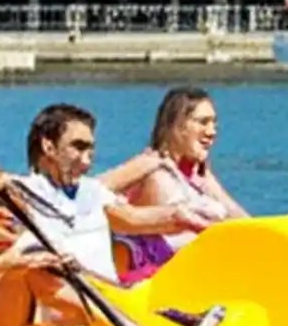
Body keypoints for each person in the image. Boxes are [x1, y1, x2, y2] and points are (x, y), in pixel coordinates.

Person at [0, 163, 225, 326]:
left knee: (47, 268)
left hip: (14, 309)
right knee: (29, 269)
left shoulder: (12, 224)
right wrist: (7, 262)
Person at [101, 87, 248, 280]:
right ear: (176, 125)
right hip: (154, 286)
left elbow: (245, 224)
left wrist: (211, 185)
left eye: (214, 123)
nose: (212, 132)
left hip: (202, 277)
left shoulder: (200, 178)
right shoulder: (151, 166)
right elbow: (90, 190)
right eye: (203, 122)